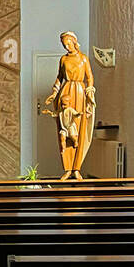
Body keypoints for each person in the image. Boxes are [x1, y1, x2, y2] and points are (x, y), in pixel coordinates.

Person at [43, 31, 96, 179]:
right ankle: (67, 168)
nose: (66, 46)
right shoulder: (63, 59)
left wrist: (89, 91)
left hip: (79, 94)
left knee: (78, 130)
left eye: (68, 43)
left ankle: (76, 168)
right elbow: (59, 78)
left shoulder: (83, 59)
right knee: (63, 130)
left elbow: (90, 77)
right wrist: (54, 93)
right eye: (64, 45)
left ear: (74, 41)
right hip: (65, 93)